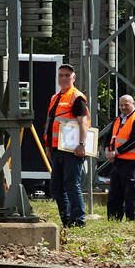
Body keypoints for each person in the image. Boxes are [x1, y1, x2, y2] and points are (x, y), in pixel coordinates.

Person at [46, 63, 89, 227]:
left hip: (73, 149)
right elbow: (51, 124)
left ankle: (79, 221)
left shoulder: (77, 97)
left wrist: (82, 144)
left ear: (73, 78)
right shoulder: (55, 98)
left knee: (71, 185)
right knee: (56, 187)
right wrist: (48, 146)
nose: (63, 78)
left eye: (67, 75)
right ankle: (67, 220)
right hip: (57, 148)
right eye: (61, 75)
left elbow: (83, 123)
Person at [103, 94, 135, 222]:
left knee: (130, 193)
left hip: (132, 163)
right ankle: (113, 220)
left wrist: (116, 152)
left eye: (126, 105)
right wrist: (107, 151)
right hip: (118, 162)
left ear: (133, 104)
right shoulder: (118, 119)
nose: (123, 107)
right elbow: (109, 136)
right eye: (121, 105)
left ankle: (131, 221)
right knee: (114, 193)